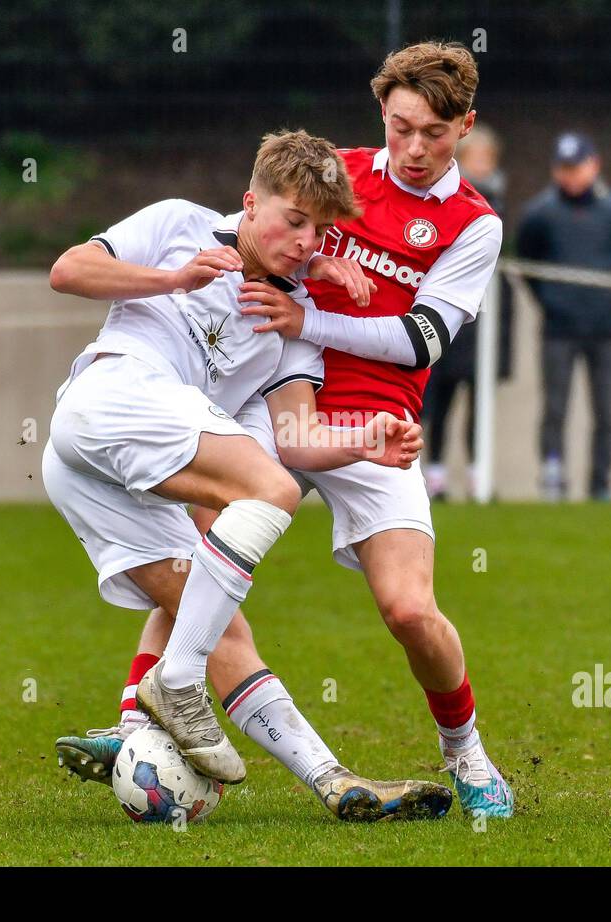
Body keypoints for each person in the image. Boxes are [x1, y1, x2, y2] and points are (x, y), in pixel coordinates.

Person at [45, 129, 452, 820]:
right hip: (110, 397)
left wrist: (366, 442)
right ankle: (173, 683)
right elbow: (68, 271)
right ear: (250, 203)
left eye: (320, 232)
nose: (305, 242)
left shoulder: (292, 324)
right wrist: (173, 279)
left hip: (98, 473)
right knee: (269, 494)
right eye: (293, 220)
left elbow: (295, 438)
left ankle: (332, 782)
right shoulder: (181, 224)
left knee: (221, 626)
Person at [234, 42, 515, 817]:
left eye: (434, 131)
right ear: (381, 115)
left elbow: (422, 338)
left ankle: (466, 751)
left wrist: (309, 314)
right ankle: (137, 717)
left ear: (466, 126)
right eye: (400, 128)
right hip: (271, 401)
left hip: (377, 424)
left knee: (409, 610)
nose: (414, 149)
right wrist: (299, 282)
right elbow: (251, 230)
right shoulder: (339, 173)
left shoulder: (474, 224)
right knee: (201, 559)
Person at [516, 132, 611, 502]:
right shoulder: (540, 213)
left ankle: (601, 484)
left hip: (606, 330)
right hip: (558, 329)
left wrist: (610, 304)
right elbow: (528, 263)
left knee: (606, 410)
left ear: (595, 165)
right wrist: (552, 302)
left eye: (577, 167)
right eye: (564, 168)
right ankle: (553, 478)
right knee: (554, 407)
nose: (570, 176)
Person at [420, 124, 515, 500]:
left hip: (487, 321)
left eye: (485, 158)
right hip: (450, 315)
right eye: (473, 157)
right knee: (440, 400)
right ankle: (437, 475)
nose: (480, 164)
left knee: (480, 403)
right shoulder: (446, 198)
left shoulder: (500, 204)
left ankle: (480, 475)